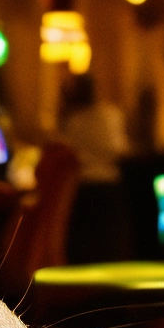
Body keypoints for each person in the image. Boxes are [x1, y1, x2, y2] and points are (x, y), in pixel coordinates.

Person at [60, 71, 131, 263]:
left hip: (82, 187)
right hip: (108, 185)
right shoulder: (111, 115)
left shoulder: (74, 120)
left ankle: (85, 290)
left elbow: (67, 153)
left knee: (85, 246)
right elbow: (120, 149)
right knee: (108, 245)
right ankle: (108, 290)